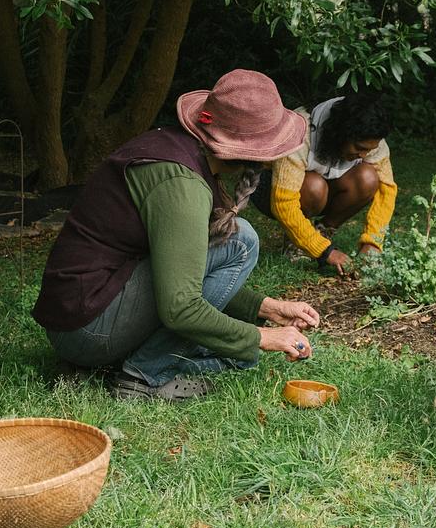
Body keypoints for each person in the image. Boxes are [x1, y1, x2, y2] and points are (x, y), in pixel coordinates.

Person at [33, 69, 323, 401]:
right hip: (87, 329)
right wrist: (263, 336)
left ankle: (125, 363)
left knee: (240, 355)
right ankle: (143, 377)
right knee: (241, 242)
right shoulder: (181, 185)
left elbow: (181, 268)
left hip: (84, 316)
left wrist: (267, 308)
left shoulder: (179, 150)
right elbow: (180, 307)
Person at [252, 94, 397, 275]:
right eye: (359, 148)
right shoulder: (299, 130)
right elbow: (283, 203)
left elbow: (387, 189)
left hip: (322, 186)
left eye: (369, 150)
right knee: (314, 186)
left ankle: (322, 232)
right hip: (269, 190)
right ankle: (296, 242)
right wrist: (324, 251)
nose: (363, 154)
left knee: (368, 178)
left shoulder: (371, 138)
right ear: (341, 134)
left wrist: (373, 242)